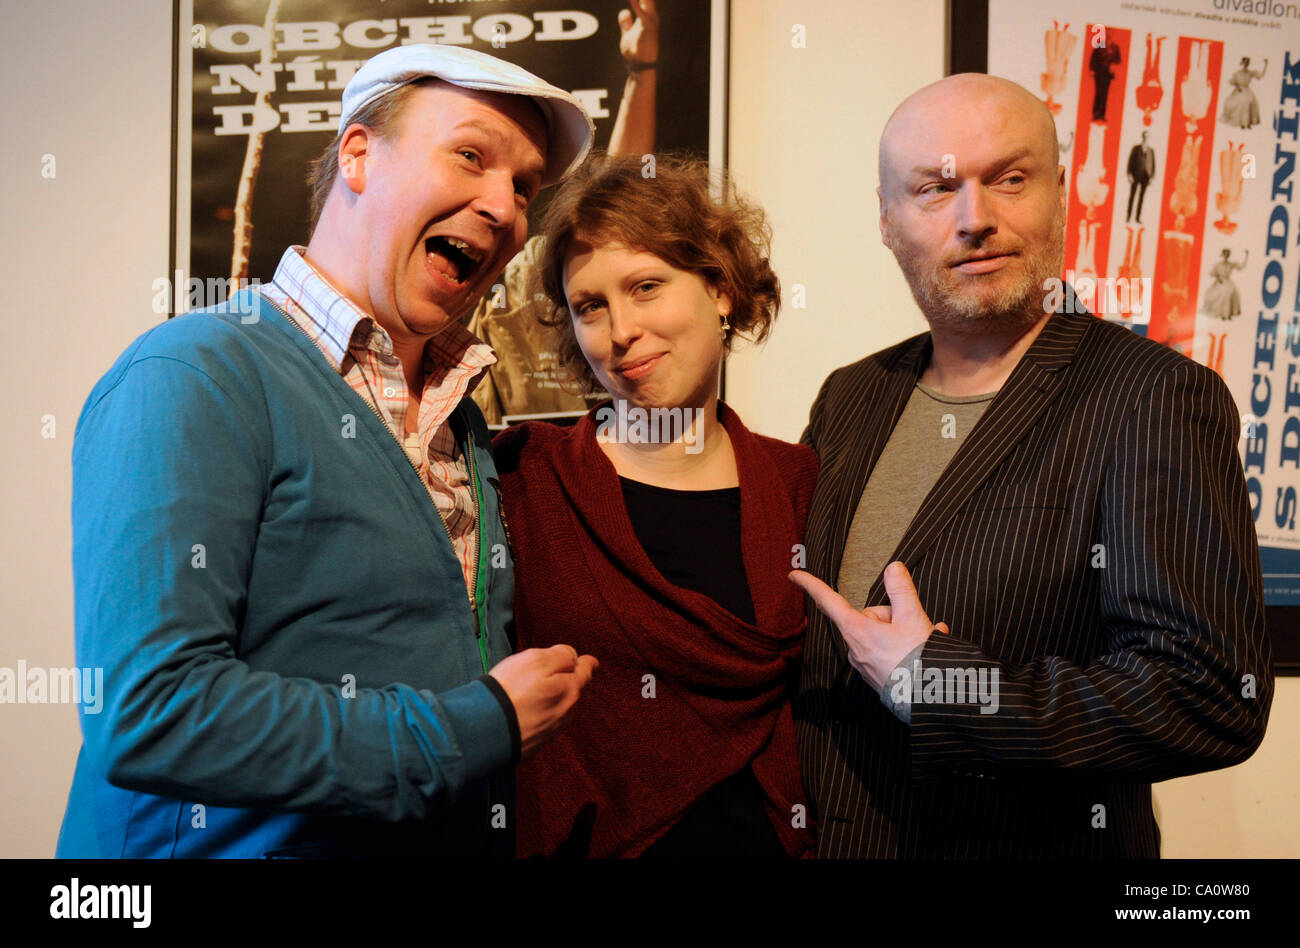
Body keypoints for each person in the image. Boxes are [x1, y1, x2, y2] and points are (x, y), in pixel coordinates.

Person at [56, 45, 599, 859]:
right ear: (356, 155)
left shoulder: (462, 419)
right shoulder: (194, 373)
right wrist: (477, 726)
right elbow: (149, 713)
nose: (505, 208)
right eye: (471, 155)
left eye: (524, 186)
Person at [792, 73, 1273, 858]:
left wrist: (941, 686)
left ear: (1061, 193)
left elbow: (1209, 696)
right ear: (887, 220)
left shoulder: (1153, 396)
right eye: (936, 188)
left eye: (1009, 179)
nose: (974, 218)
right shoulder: (852, 396)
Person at [492, 154, 817, 858]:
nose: (620, 331)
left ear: (721, 290)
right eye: (590, 307)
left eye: (646, 287)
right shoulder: (525, 480)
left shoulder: (797, 482)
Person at [465, 0, 660, 425]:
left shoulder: (552, 262)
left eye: (521, 186)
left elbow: (619, 196)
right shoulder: (485, 290)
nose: (499, 205)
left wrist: (641, 74)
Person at [1201, 248, 1248, 320]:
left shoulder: (1230, 264)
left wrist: (1246, 256)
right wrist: (1218, 279)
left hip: (1228, 281)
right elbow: (1212, 273)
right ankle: (1223, 314)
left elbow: (1241, 267)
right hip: (1220, 281)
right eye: (1225, 254)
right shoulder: (1217, 265)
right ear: (1222, 255)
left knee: (1233, 291)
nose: (1226, 256)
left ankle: (1228, 314)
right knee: (1224, 291)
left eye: (1228, 255)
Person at [1221, 57, 1267, 130]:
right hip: (1239, 90)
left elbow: (1261, 75)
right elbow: (1231, 82)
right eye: (1245, 62)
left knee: (1251, 102)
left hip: (1247, 90)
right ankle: (1242, 123)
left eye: (1247, 63)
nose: (1246, 64)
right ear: (1242, 63)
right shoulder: (1237, 73)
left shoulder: (1250, 73)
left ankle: (1247, 123)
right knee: (1241, 103)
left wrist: (1265, 64)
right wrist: (1237, 87)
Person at [1125, 131, 1156, 224]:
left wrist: (1151, 177)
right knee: (1132, 195)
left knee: (1141, 197)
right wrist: (1129, 174)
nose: (1146, 139)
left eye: (1148, 137)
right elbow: (1130, 161)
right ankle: (1128, 216)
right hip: (1136, 174)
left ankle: (1137, 218)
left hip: (1146, 176)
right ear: (1142, 137)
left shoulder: (1151, 151)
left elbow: (1153, 165)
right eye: (1145, 137)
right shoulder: (1136, 148)